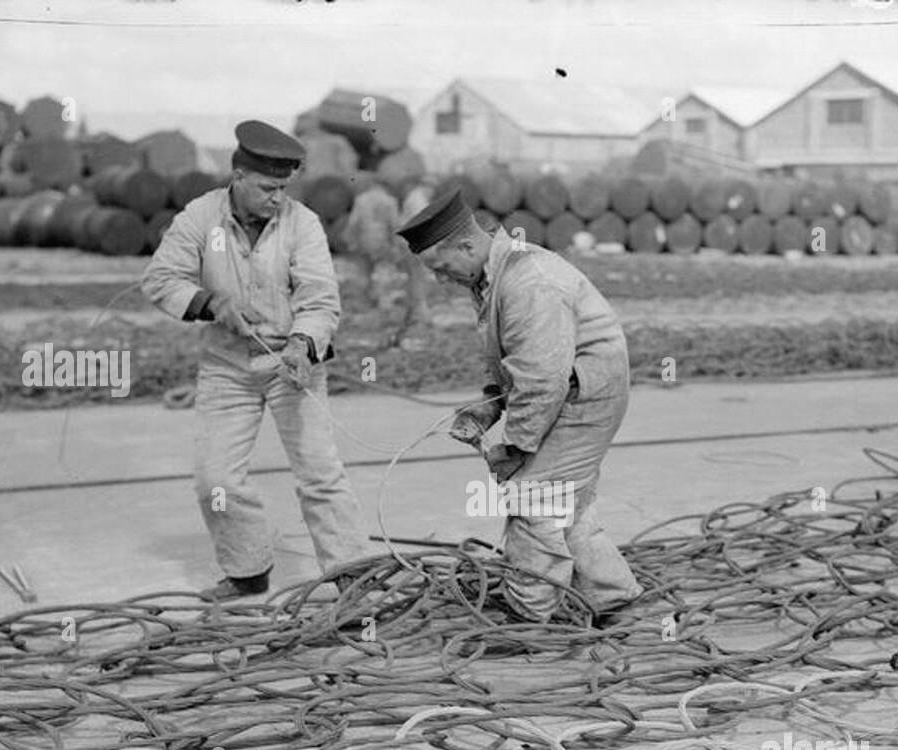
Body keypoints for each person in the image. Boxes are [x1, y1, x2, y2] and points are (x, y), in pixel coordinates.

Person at [142, 120, 367, 600]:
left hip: (292, 364)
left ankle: (351, 576)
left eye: (284, 187)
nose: (277, 198)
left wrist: (303, 345)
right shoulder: (199, 218)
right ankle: (247, 571)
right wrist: (210, 303)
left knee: (320, 474)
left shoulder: (302, 223)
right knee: (215, 481)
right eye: (267, 187)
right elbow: (160, 279)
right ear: (238, 176)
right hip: (227, 366)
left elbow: (321, 298)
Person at [395, 189, 643, 625]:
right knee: (566, 502)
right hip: (573, 389)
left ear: (466, 246)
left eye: (441, 267)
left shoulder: (529, 283)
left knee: (531, 498)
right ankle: (613, 598)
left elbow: (542, 382)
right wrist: (488, 409)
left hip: (582, 397)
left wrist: (514, 447)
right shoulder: (495, 274)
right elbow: (516, 362)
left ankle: (530, 614)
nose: (440, 279)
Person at [343, 175, 431, 344]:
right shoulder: (389, 201)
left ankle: (369, 301)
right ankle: (383, 303)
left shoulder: (361, 199)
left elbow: (354, 221)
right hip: (383, 241)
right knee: (384, 272)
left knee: (366, 273)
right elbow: (394, 225)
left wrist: (351, 239)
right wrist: (397, 245)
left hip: (365, 240)